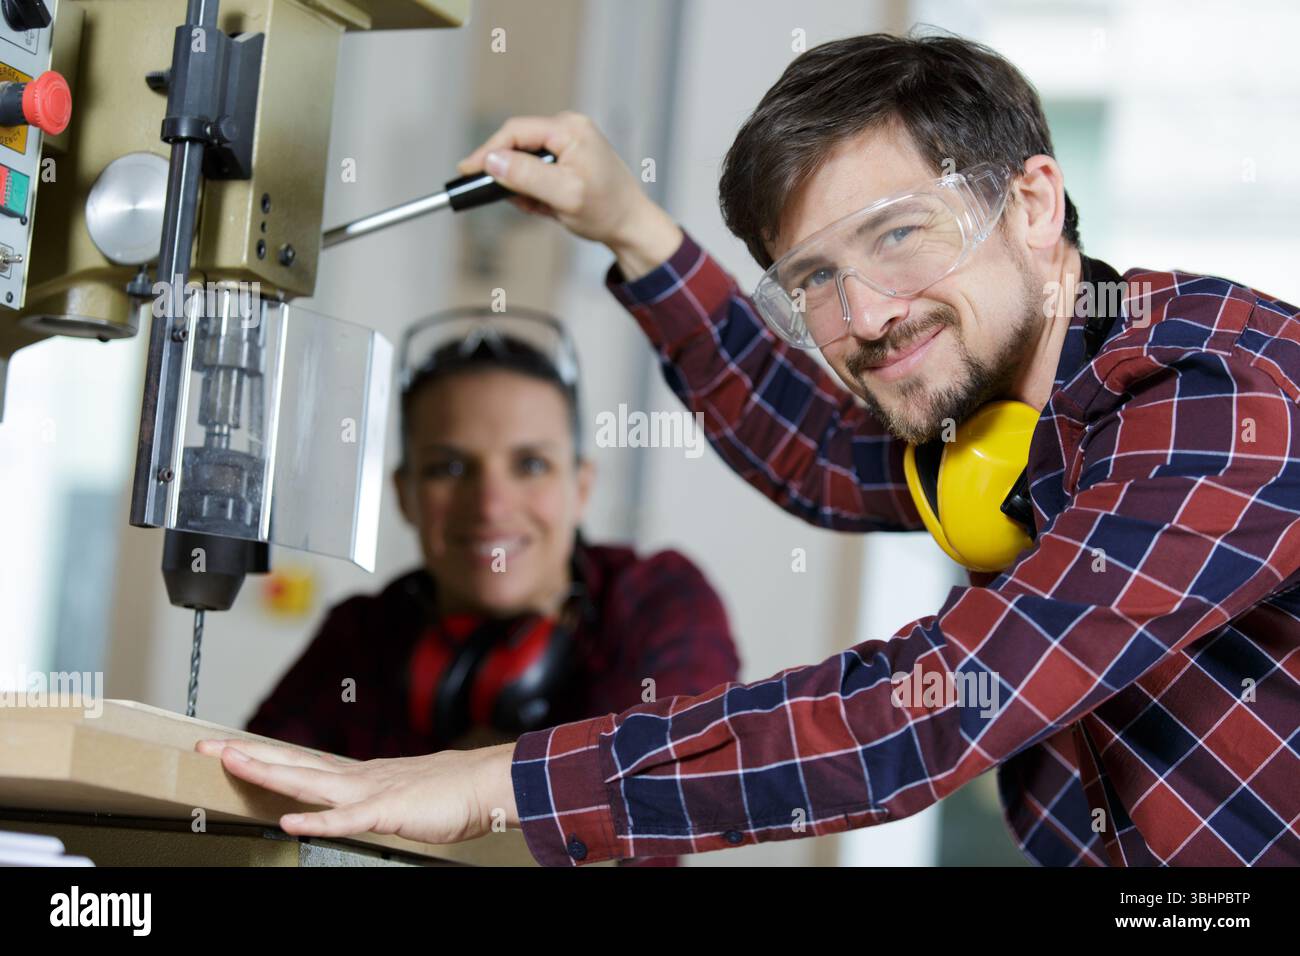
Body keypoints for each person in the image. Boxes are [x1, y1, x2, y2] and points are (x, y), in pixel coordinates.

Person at [200, 33, 1300, 867]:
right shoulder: (995, 406)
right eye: (814, 279)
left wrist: (500, 781)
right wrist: (633, 227)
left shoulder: (1216, 398)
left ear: (1030, 201)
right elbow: (818, 447)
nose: (863, 316)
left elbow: (921, 710)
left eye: (898, 234)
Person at [239, 307, 739, 865]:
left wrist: (479, 781)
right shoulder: (361, 633)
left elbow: (680, 776)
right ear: (405, 494)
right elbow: (250, 804)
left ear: (581, 486)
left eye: (529, 464)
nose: (490, 505)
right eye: (450, 469)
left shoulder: (659, 599)